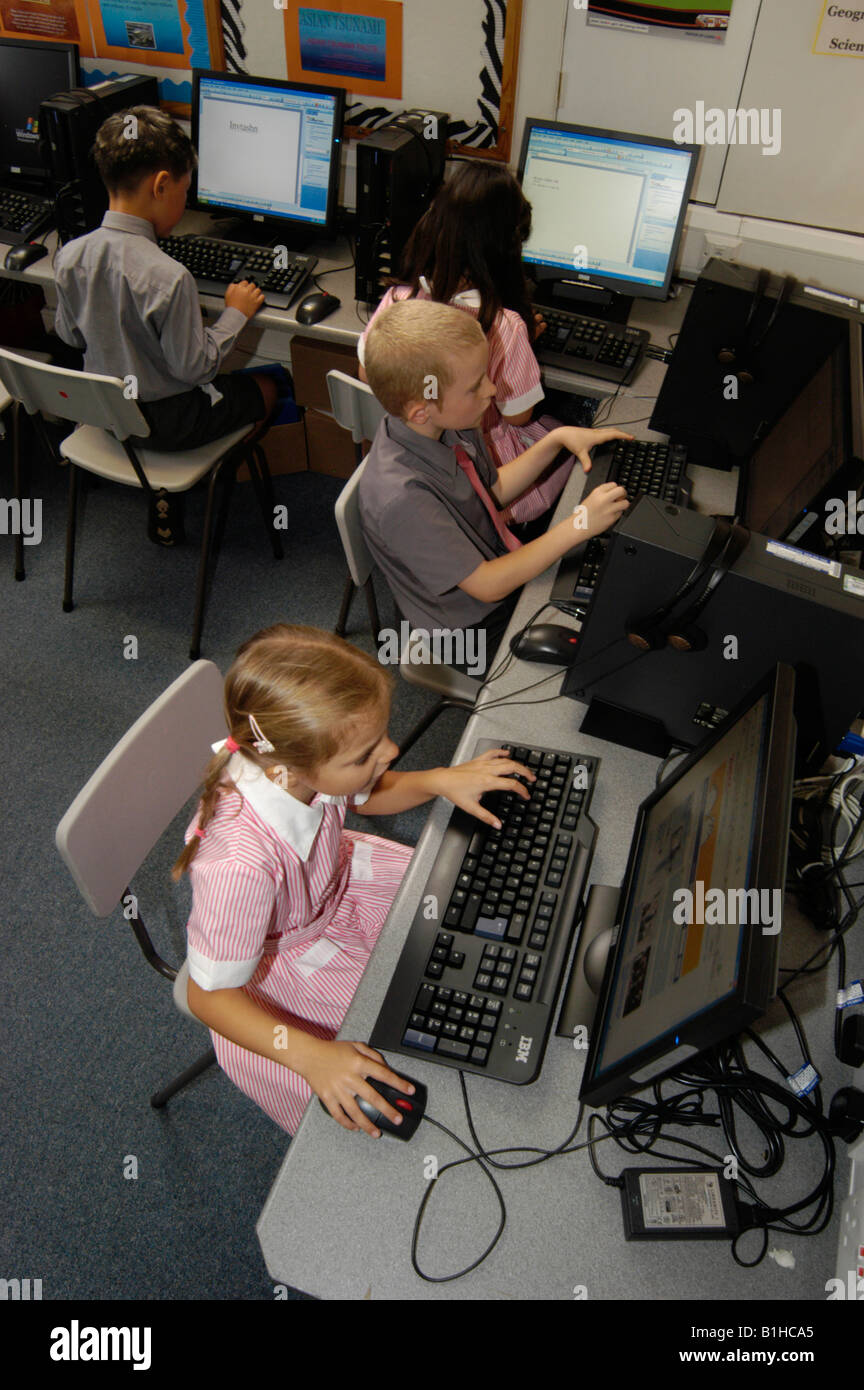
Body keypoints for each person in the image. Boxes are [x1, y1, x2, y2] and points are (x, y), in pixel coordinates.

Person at [172, 623, 536, 1136]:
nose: (389, 752)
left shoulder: (298, 766)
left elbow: (361, 793)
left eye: (382, 736)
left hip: (341, 886)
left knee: (456, 940)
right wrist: (311, 1057)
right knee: (416, 1051)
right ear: (292, 768)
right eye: (365, 754)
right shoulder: (237, 865)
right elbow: (207, 997)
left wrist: (437, 781)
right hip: (290, 968)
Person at [53, 105, 291, 541]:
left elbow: (68, 335)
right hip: (166, 425)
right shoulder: (169, 277)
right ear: (162, 185)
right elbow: (195, 369)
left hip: (106, 416)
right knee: (269, 388)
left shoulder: (70, 254)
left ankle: (161, 488)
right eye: (184, 191)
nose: (186, 201)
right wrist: (236, 312)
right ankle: (183, 482)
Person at [358, 298, 630, 669]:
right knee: (601, 657)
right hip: (471, 630)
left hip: (494, 573)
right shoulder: (401, 500)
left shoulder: (450, 425)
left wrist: (556, 440)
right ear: (421, 409)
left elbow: (492, 491)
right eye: (475, 386)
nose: (491, 389)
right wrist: (579, 524)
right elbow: (487, 585)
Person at [357, 160, 589, 524]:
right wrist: (523, 342)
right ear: (506, 247)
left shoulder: (400, 298)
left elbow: (366, 370)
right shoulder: (505, 325)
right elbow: (517, 414)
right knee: (574, 432)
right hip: (480, 466)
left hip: (417, 456)